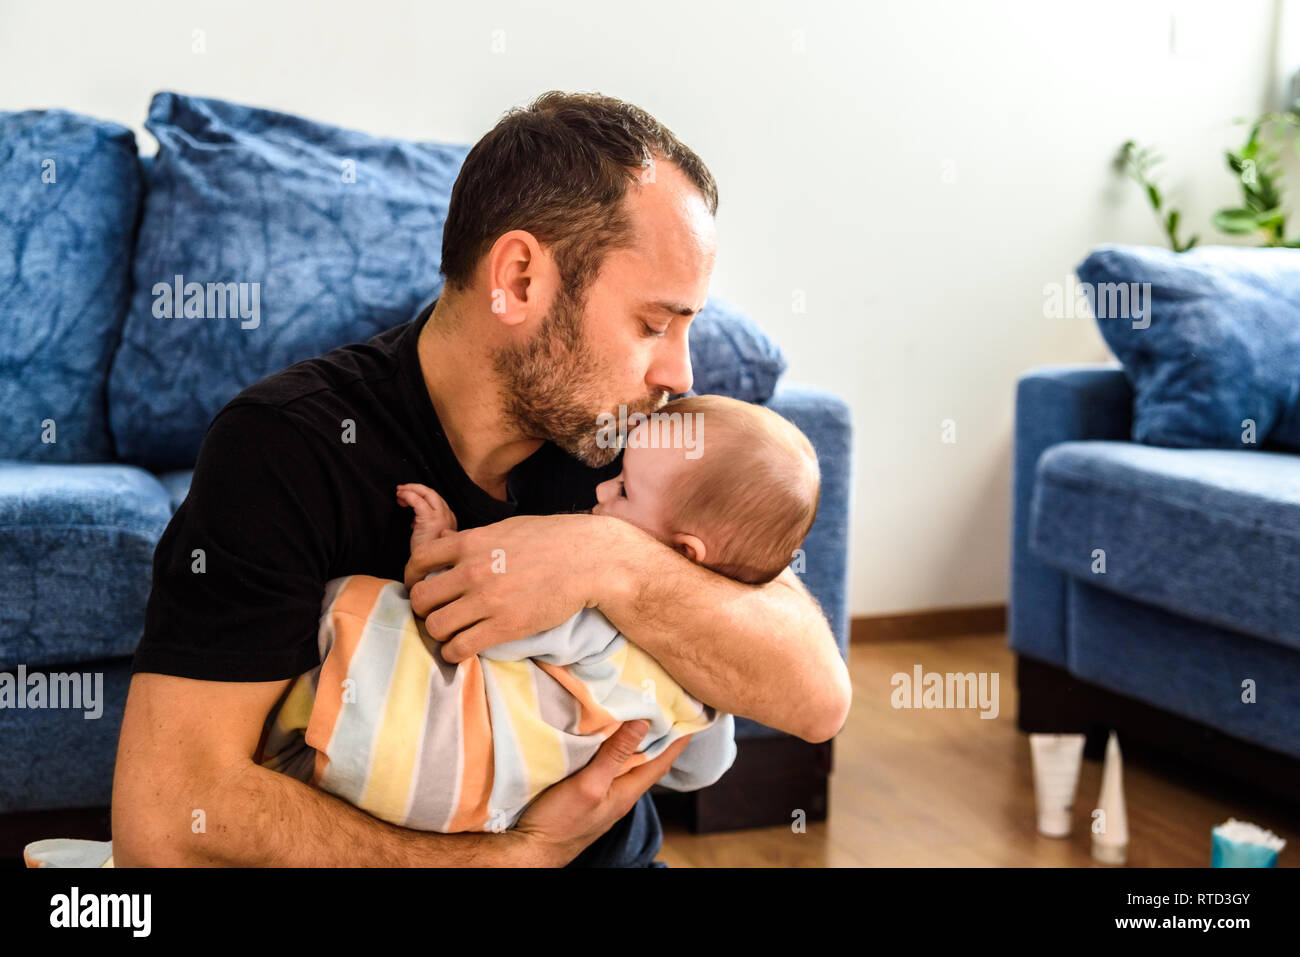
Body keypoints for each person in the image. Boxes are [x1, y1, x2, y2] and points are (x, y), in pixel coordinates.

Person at [110, 90, 851, 867]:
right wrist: (514, 859)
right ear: (521, 279)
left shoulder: (631, 443)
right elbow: (167, 820)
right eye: (653, 323)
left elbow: (817, 697)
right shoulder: (286, 449)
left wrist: (604, 560)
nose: (679, 370)